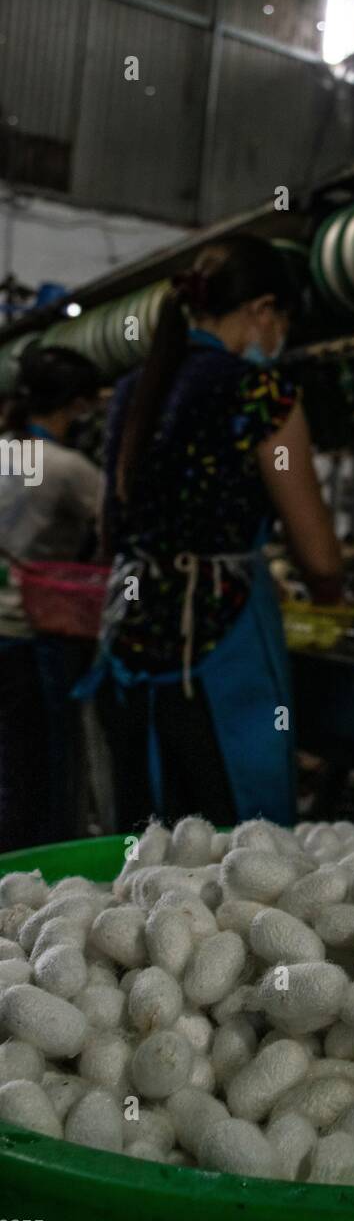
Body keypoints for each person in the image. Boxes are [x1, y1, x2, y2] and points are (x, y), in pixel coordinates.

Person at [92, 233, 342, 831]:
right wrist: (331, 599)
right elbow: (320, 556)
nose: (279, 337)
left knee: (149, 838)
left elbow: (112, 523)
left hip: (130, 633)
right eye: (282, 321)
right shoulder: (263, 394)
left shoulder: (132, 388)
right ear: (262, 310)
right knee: (239, 844)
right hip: (221, 646)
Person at [0, 344, 103, 850]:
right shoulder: (67, 467)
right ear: (77, 405)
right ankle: (47, 864)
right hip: (37, 634)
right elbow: (119, 528)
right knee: (50, 767)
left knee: (10, 765)